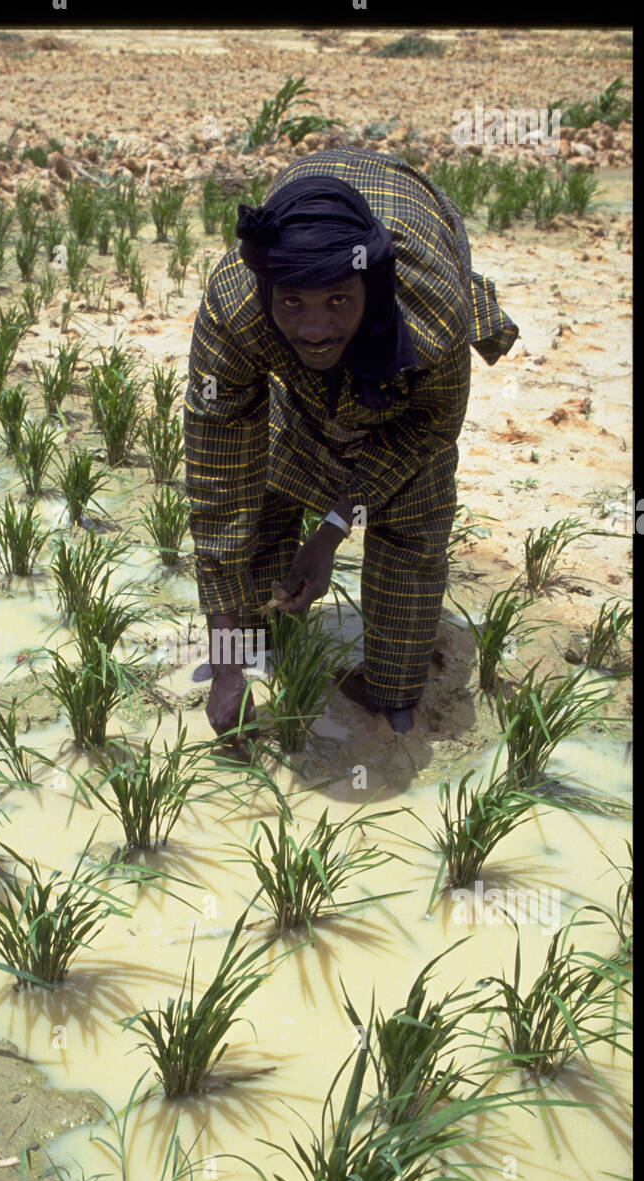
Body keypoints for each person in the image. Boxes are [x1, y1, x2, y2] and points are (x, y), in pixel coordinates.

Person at [183, 147, 518, 749]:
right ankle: (257, 636)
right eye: (293, 303)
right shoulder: (236, 309)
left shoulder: (434, 318)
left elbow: (427, 432)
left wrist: (334, 528)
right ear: (267, 291)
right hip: (296, 341)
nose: (314, 327)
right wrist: (226, 662)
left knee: (413, 521)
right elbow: (219, 483)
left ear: (370, 285)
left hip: (412, 252)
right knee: (261, 493)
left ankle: (391, 691)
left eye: (337, 300)